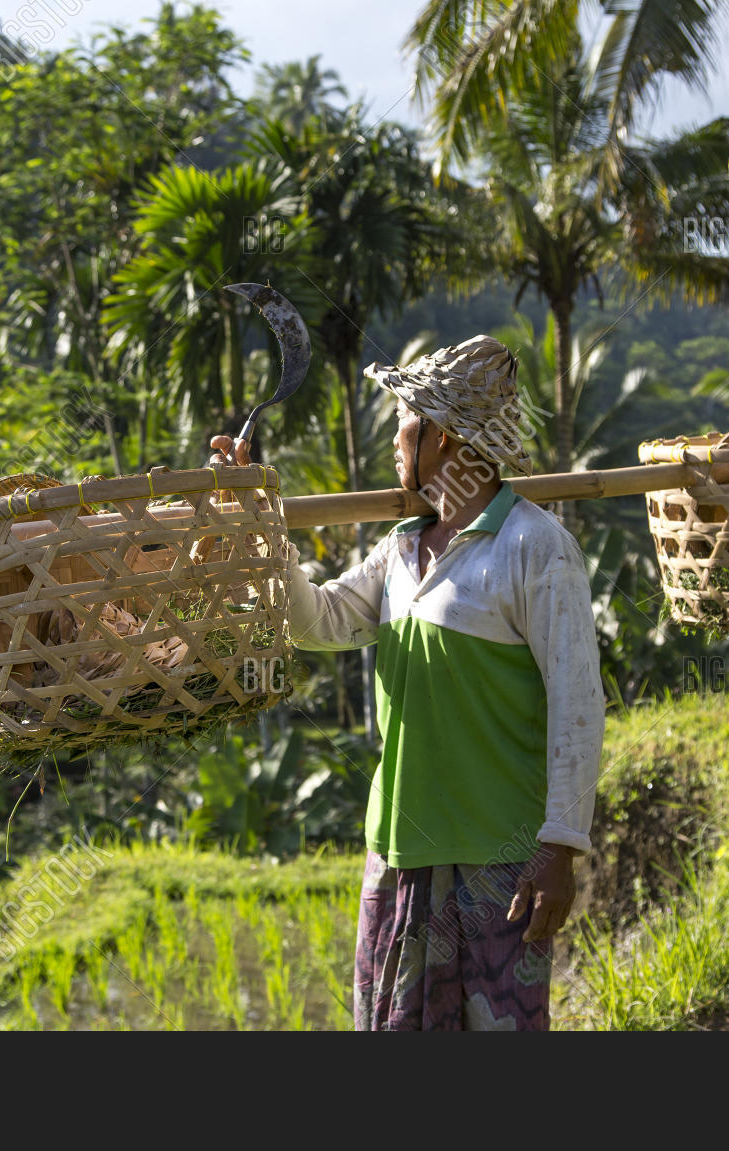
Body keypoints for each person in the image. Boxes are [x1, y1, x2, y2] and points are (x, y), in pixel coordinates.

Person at [210, 334, 604, 1031]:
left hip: (500, 863)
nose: (394, 437)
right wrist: (258, 519)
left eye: (403, 417)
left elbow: (578, 701)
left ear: (443, 436)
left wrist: (560, 846)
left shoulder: (534, 546)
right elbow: (320, 621)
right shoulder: (400, 550)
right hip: (398, 849)